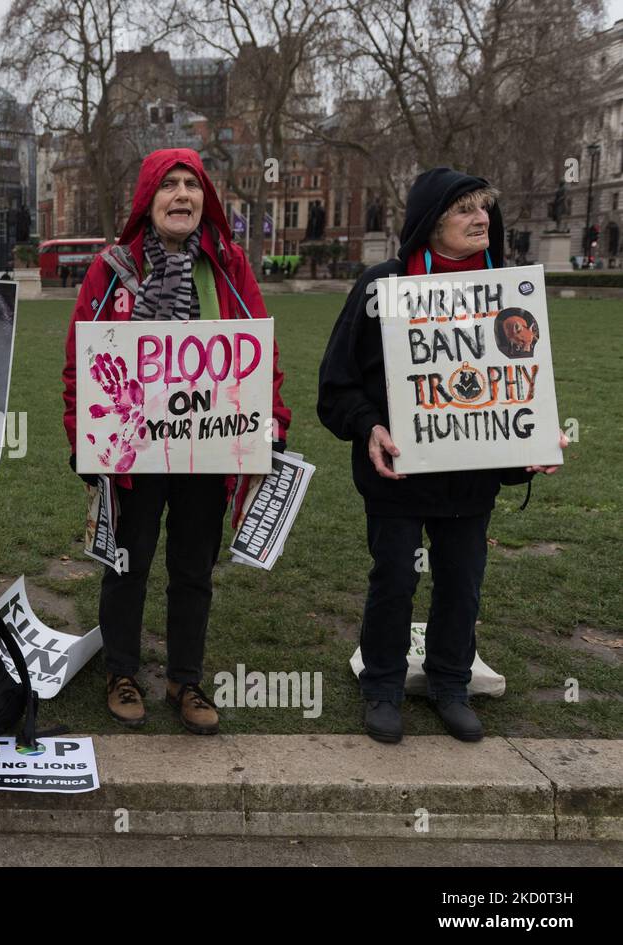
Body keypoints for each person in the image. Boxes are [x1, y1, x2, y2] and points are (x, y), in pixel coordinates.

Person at [317, 167, 566, 744]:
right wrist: (369, 426)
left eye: (485, 209)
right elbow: (336, 384)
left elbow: (519, 384)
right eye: (465, 210)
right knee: (396, 578)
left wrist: (534, 438)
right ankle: (382, 684)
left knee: (462, 580)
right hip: (398, 471)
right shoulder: (382, 286)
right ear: (430, 224)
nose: (481, 219)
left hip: (469, 479)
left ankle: (451, 682)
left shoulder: (509, 291)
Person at [61, 148, 291, 733]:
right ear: (149, 199)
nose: (182, 195)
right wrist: (82, 441)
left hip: (206, 448)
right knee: (126, 563)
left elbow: (259, 355)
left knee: (194, 568)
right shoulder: (110, 269)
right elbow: (78, 362)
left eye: (192, 185)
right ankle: (122, 672)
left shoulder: (228, 265)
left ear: (205, 199)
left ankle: (186, 680)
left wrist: (273, 424)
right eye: (170, 186)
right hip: (132, 449)